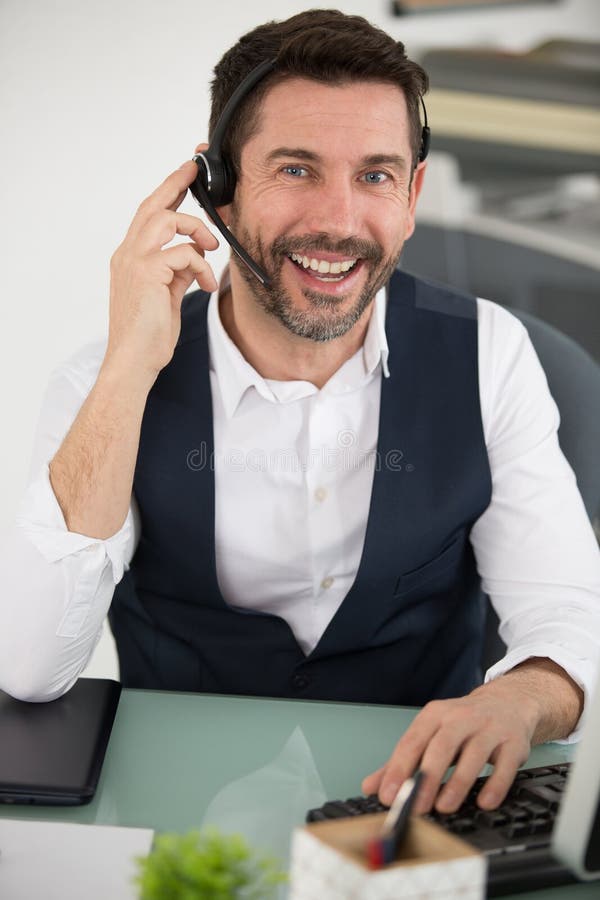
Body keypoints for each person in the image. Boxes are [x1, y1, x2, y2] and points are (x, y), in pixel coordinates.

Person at [1, 9, 599, 819]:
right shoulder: (105, 384)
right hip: (175, 821)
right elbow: (30, 668)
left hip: (416, 820)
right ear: (217, 185)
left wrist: (525, 698)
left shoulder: (491, 356)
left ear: (414, 193)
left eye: (376, 175)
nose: (340, 222)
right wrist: (127, 372)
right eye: (297, 169)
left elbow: (570, 611)